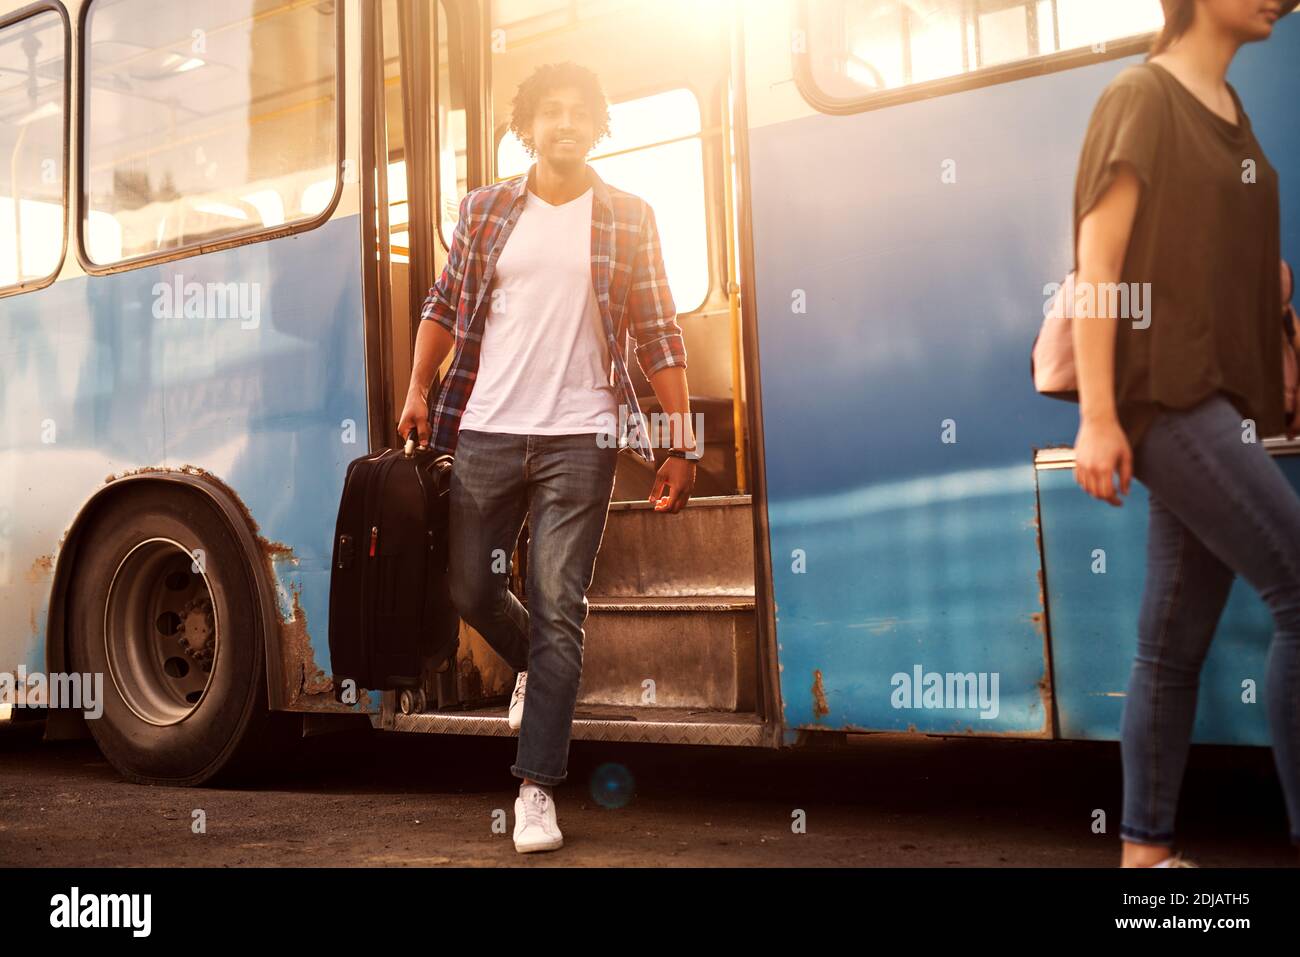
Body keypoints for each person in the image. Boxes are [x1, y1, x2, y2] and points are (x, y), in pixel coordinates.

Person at [397, 62, 699, 853]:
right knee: (470, 585)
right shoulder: (486, 208)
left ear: (597, 127)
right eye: (549, 113)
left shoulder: (628, 216)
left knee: (560, 600)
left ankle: (537, 788)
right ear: (526, 125)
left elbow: (661, 328)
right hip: (487, 429)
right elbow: (443, 304)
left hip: (583, 434)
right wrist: (418, 386)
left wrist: (679, 439)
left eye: (578, 114)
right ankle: (538, 663)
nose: (564, 124)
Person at [1071, 0, 1300, 866]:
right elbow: (1100, 265)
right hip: (1167, 396)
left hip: (1222, 399)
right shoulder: (1142, 97)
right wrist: (1099, 415)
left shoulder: (1233, 115)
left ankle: (1147, 863)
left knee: (1170, 645)